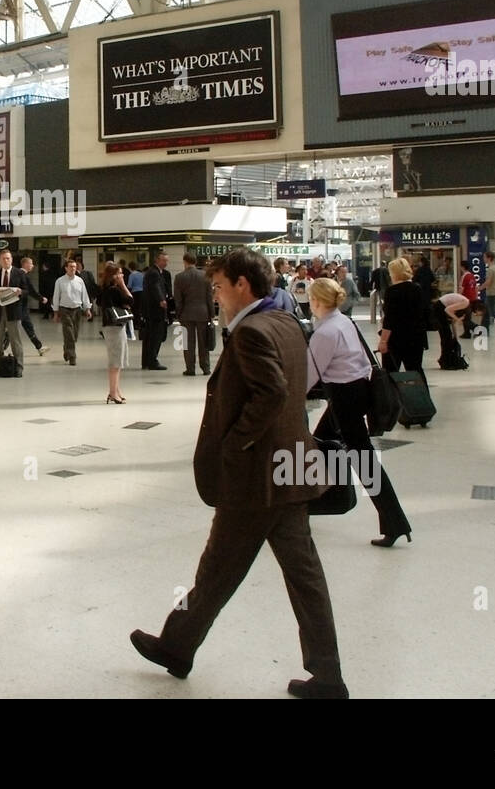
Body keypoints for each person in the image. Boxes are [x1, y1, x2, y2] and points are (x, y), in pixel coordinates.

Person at [129, 248, 347, 698]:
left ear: (242, 286)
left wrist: (235, 444)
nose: (216, 295)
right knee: (294, 575)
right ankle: (326, 674)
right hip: (290, 472)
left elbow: (270, 393)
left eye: (220, 287)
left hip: (256, 479)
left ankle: (177, 645)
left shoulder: (250, 332)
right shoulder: (286, 320)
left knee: (220, 567)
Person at [306, 278, 412, 547]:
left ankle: (394, 521)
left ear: (317, 301)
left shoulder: (326, 332)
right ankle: (309, 504)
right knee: (318, 448)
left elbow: (307, 376)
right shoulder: (344, 322)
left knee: (363, 460)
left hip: (343, 398)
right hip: (357, 391)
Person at [378, 257, 430, 373]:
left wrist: (383, 341)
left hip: (396, 338)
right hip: (416, 337)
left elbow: (389, 320)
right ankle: (419, 391)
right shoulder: (417, 288)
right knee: (415, 370)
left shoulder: (392, 291)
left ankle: (393, 391)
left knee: (390, 370)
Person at [0, 249, 29, 376]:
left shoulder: (19, 274)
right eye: (4, 258)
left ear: (12, 259)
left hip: (13, 312)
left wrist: (20, 292)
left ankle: (19, 368)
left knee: (15, 341)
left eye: (9, 258)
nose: (6, 261)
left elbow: (27, 291)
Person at [99, 262, 134, 403]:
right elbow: (130, 300)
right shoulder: (114, 289)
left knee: (117, 360)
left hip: (112, 326)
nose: (122, 275)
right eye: (119, 273)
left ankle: (116, 390)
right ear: (113, 275)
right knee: (115, 361)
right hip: (114, 327)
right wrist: (123, 285)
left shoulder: (105, 288)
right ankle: (113, 393)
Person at [173, 252, 212, 376]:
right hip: (203, 312)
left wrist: (178, 313)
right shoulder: (205, 276)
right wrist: (211, 313)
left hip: (186, 313)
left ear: (185, 261)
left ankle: (190, 368)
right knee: (203, 342)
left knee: (188, 343)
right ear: (195, 261)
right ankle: (205, 368)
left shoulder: (179, 277)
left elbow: (178, 299)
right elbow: (209, 297)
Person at [51, 258, 92, 366]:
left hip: (77, 310)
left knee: (74, 335)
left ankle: (67, 349)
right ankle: (72, 356)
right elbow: (56, 297)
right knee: (69, 333)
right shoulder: (60, 281)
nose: (73, 268)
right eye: (71, 267)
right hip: (64, 310)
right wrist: (55, 313)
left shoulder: (80, 281)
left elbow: (84, 295)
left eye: (75, 266)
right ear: (66, 268)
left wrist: (87, 309)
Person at [140, 252, 169, 370]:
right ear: (157, 260)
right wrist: (161, 300)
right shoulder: (154, 273)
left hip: (150, 310)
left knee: (149, 336)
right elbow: (156, 287)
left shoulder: (153, 272)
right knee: (155, 336)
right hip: (155, 310)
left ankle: (146, 361)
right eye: (164, 260)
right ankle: (152, 360)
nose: (166, 263)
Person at [19, 256, 48, 353]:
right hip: (20, 307)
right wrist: (41, 298)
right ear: (25, 264)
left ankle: (39, 347)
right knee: (14, 329)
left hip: (21, 307)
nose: (32, 266)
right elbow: (31, 291)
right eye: (31, 263)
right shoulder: (23, 275)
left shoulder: (19, 274)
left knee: (28, 326)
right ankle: (1, 348)